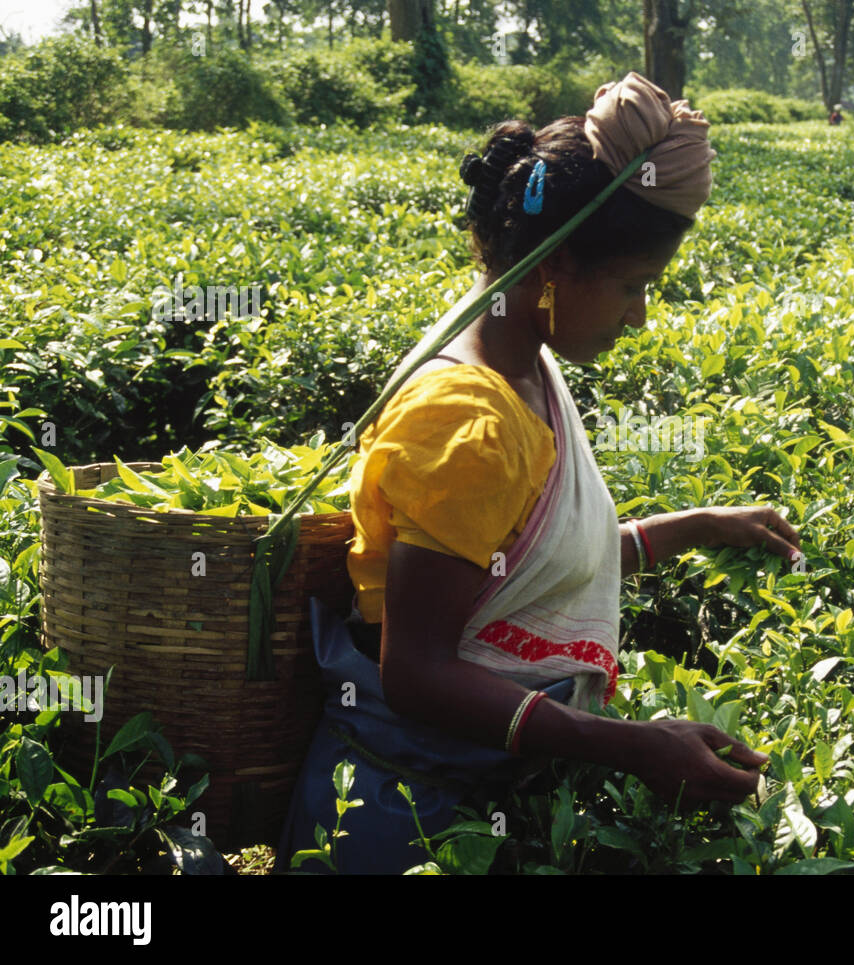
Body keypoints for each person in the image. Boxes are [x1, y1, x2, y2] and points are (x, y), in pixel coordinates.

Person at [275, 71, 802, 875]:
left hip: (471, 789)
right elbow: (415, 673)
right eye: (633, 286)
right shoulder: (468, 422)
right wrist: (632, 746)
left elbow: (521, 570)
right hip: (399, 817)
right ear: (555, 267)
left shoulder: (518, 364)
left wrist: (697, 526)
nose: (639, 315)